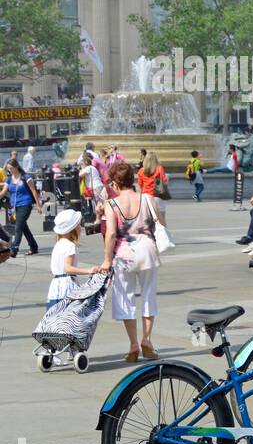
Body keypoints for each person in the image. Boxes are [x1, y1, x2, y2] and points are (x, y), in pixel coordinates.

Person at [100, 160, 161, 362]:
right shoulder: (147, 199)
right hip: (147, 250)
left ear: (115, 183)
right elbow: (160, 223)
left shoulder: (112, 204)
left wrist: (107, 260)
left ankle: (133, 344)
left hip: (124, 253)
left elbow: (110, 234)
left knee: (124, 296)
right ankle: (147, 340)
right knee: (148, 294)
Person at [47, 209, 107, 313]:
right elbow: (68, 268)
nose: (80, 227)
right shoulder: (70, 246)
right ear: (73, 229)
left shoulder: (59, 243)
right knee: (69, 317)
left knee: (54, 317)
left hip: (56, 286)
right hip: (67, 285)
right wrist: (89, 270)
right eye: (79, 225)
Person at [4, 157, 39, 255]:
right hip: (14, 207)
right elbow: (3, 192)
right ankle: (34, 247)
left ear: (16, 167)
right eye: (8, 169)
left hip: (25, 204)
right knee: (24, 228)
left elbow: (33, 191)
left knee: (18, 227)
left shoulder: (25, 177)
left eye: (11, 168)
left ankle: (14, 248)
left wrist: (38, 205)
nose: (9, 171)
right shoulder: (9, 179)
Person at [136, 151, 168, 226]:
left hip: (146, 197)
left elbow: (140, 184)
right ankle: (163, 234)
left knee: (147, 219)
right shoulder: (159, 168)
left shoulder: (141, 171)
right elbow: (164, 180)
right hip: (158, 196)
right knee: (162, 219)